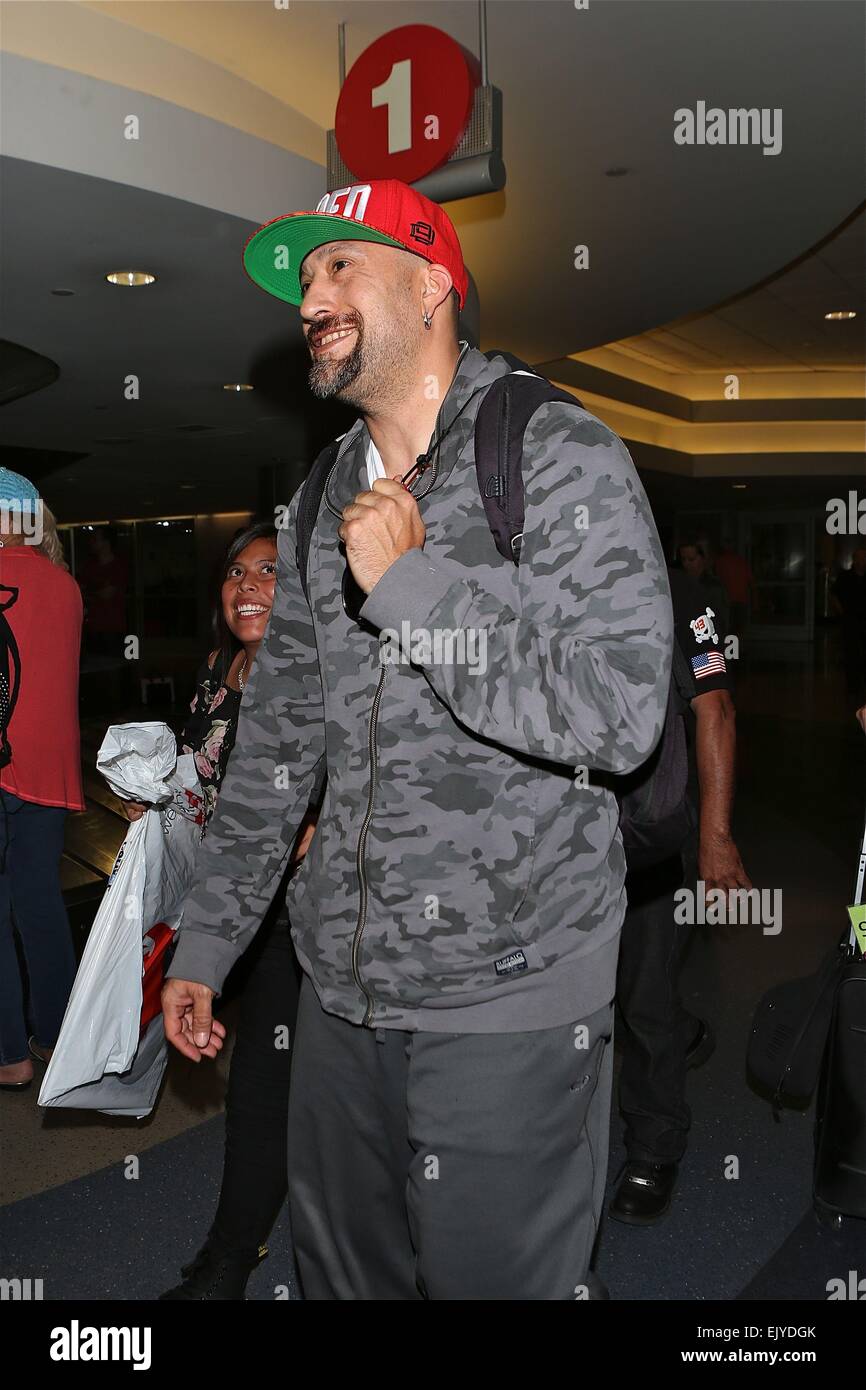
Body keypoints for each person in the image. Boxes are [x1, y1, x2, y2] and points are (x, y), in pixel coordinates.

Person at [164, 178, 672, 1300]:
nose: (311, 295)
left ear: (432, 281)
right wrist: (210, 941)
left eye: (340, 264)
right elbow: (281, 744)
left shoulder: (550, 452)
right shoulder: (316, 501)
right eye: (303, 280)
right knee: (344, 1281)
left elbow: (620, 711)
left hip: (510, 992)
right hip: (340, 995)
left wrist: (411, 587)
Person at [120, 523, 317, 1298]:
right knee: (262, 1088)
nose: (247, 587)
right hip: (230, 911)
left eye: (269, 572)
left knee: (275, 1093)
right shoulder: (216, 671)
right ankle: (233, 1259)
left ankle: (231, 1262)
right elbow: (196, 779)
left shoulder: (317, 680)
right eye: (235, 573)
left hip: (308, 925)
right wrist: (158, 808)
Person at [611, 566, 751, 1223]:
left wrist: (715, 838)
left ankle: (654, 1147)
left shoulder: (683, 596)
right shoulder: (540, 580)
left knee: (643, 997)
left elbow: (714, 706)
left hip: (651, 839)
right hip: (560, 841)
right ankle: (682, 1031)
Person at [0, 472, 85, 1091]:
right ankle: (56, 1038)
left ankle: (9, 1055)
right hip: (48, 775)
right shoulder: (66, 588)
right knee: (39, 907)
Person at [77, 526, 129, 658]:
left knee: (115, 668)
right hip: (93, 628)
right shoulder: (89, 566)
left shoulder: (119, 566)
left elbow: (107, 594)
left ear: (106, 542)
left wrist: (89, 592)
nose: (92, 542)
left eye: (96, 539)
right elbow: (80, 591)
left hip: (114, 628)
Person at [678, 537, 731, 642]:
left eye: (691, 559)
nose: (687, 564)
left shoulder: (714, 587)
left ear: (703, 559)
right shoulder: (681, 583)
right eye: (683, 560)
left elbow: (722, 622)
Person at [832, 546, 866, 702]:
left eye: (864, 558)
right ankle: (853, 686)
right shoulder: (845, 576)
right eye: (859, 558)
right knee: (851, 653)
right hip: (850, 621)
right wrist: (842, 611)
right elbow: (834, 594)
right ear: (854, 560)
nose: (861, 561)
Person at [714, 538, 756, 635]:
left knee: (728, 629)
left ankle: (731, 649)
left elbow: (717, 578)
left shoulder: (720, 561)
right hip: (739, 600)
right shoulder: (741, 561)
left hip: (727, 600)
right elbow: (751, 582)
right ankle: (735, 648)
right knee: (737, 629)